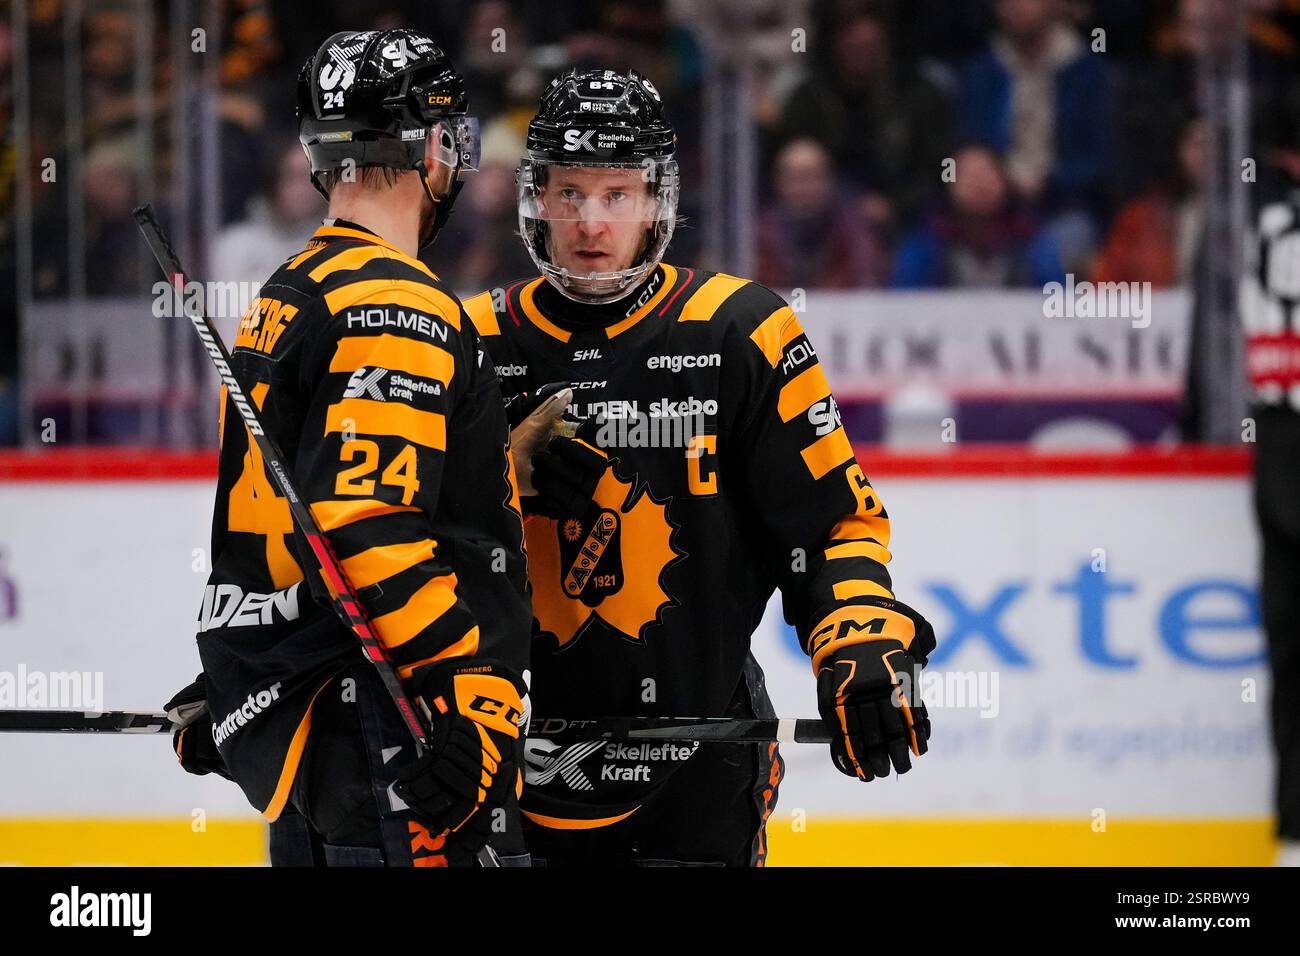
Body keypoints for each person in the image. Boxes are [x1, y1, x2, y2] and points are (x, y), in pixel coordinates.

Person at [463, 68, 937, 866]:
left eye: (617, 195)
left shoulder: (741, 330)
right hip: (500, 760)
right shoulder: (468, 339)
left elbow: (830, 526)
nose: (590, 222)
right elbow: (404, 539)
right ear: (534, 197)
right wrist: (494, 477)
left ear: (658, 201)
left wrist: (856, 633)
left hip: (700, 770)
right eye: (569, 192)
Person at [163, 29, 532, 867]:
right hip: (395, 733)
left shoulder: (290, 293)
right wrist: (467, 693)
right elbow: (365, 520)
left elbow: (291, 527)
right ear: (434, 146)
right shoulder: (394, 302)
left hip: (310, 733)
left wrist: (239, 682)